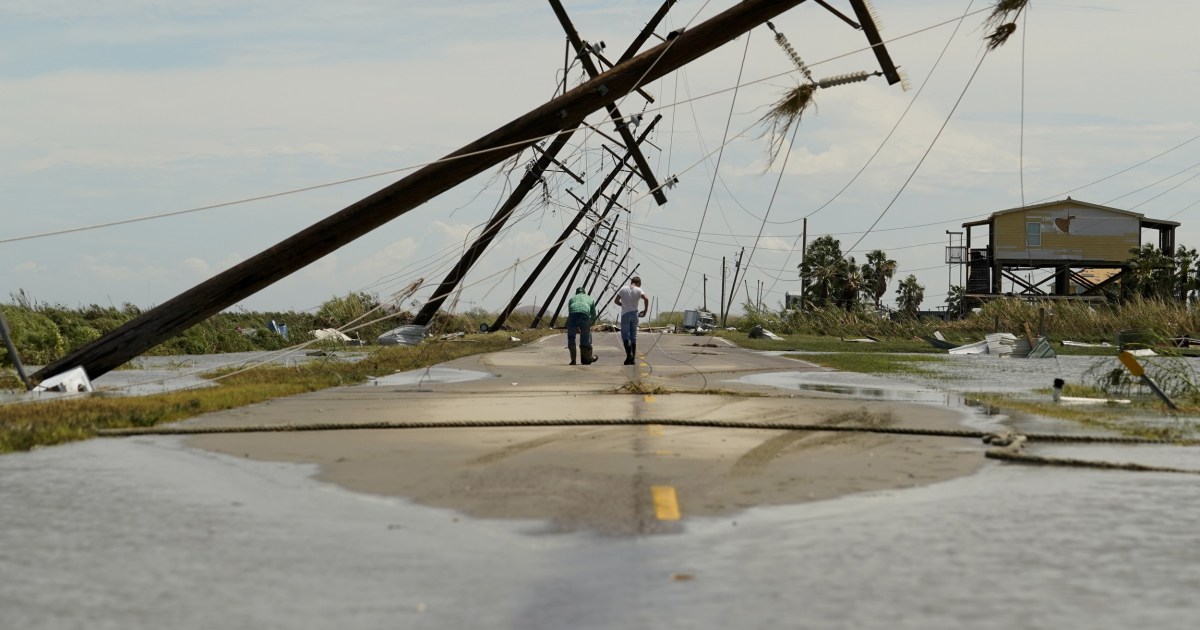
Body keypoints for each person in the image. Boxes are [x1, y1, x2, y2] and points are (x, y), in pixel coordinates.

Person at [614, 276, 649, 365]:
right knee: (633, 336)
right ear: (639, 283)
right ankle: (632, 359)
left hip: (625, 314)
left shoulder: (623, 289)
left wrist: (623, 305)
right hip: (635, 314)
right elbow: (646, 298)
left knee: (625, 336)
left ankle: (629, 355)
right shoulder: (639, 290)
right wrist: (645, 311)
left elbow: (616, 301)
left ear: (631, 282)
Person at [566, 287, 597, 365]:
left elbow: (570, 312)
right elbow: (593, 315)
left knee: (571, 337)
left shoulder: (572, 299)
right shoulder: (589, 298)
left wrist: (575, 327)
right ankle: (586, 359)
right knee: (585, 337)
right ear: (584, 292)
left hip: (573, 315)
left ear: (576, 293)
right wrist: (590, 324)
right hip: (585, 315)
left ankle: (573, 360)